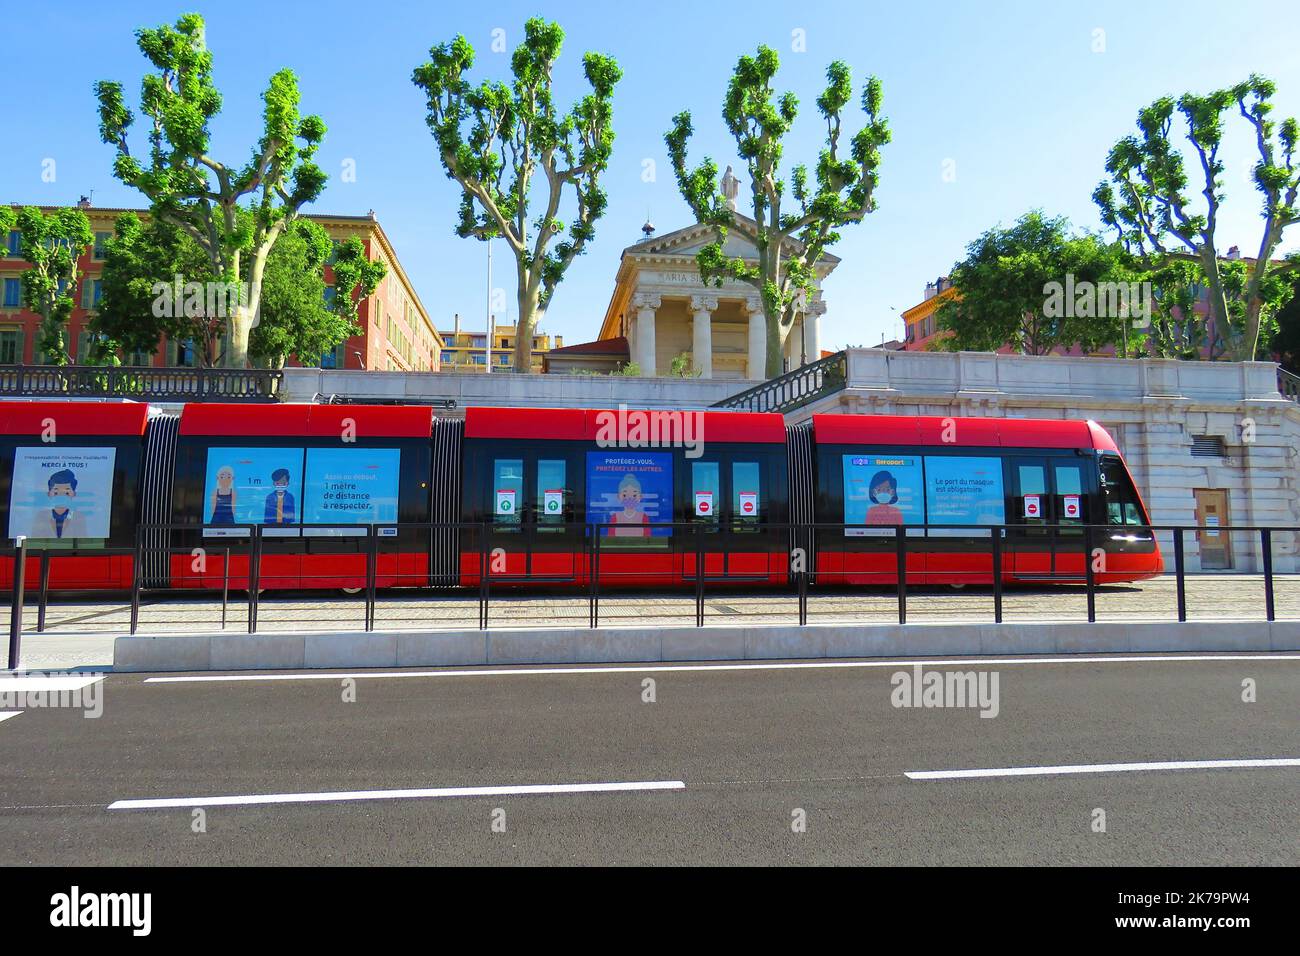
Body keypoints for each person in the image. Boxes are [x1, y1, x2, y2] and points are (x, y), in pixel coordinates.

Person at [45, 469, 88, 539]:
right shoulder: (42, 515)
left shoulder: (79, 516)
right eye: (56, 492)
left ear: (74, 494)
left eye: (66, 493)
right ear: (49, 493)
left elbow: (83, 539)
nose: (61, 497)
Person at [608, 473, 650, 537]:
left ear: (640, 497)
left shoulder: (643, 517)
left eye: (634, 495)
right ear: (619, 496)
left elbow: (648, 539)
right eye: (625, 495)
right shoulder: (615, 517)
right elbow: (610, 538)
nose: (630, 498)